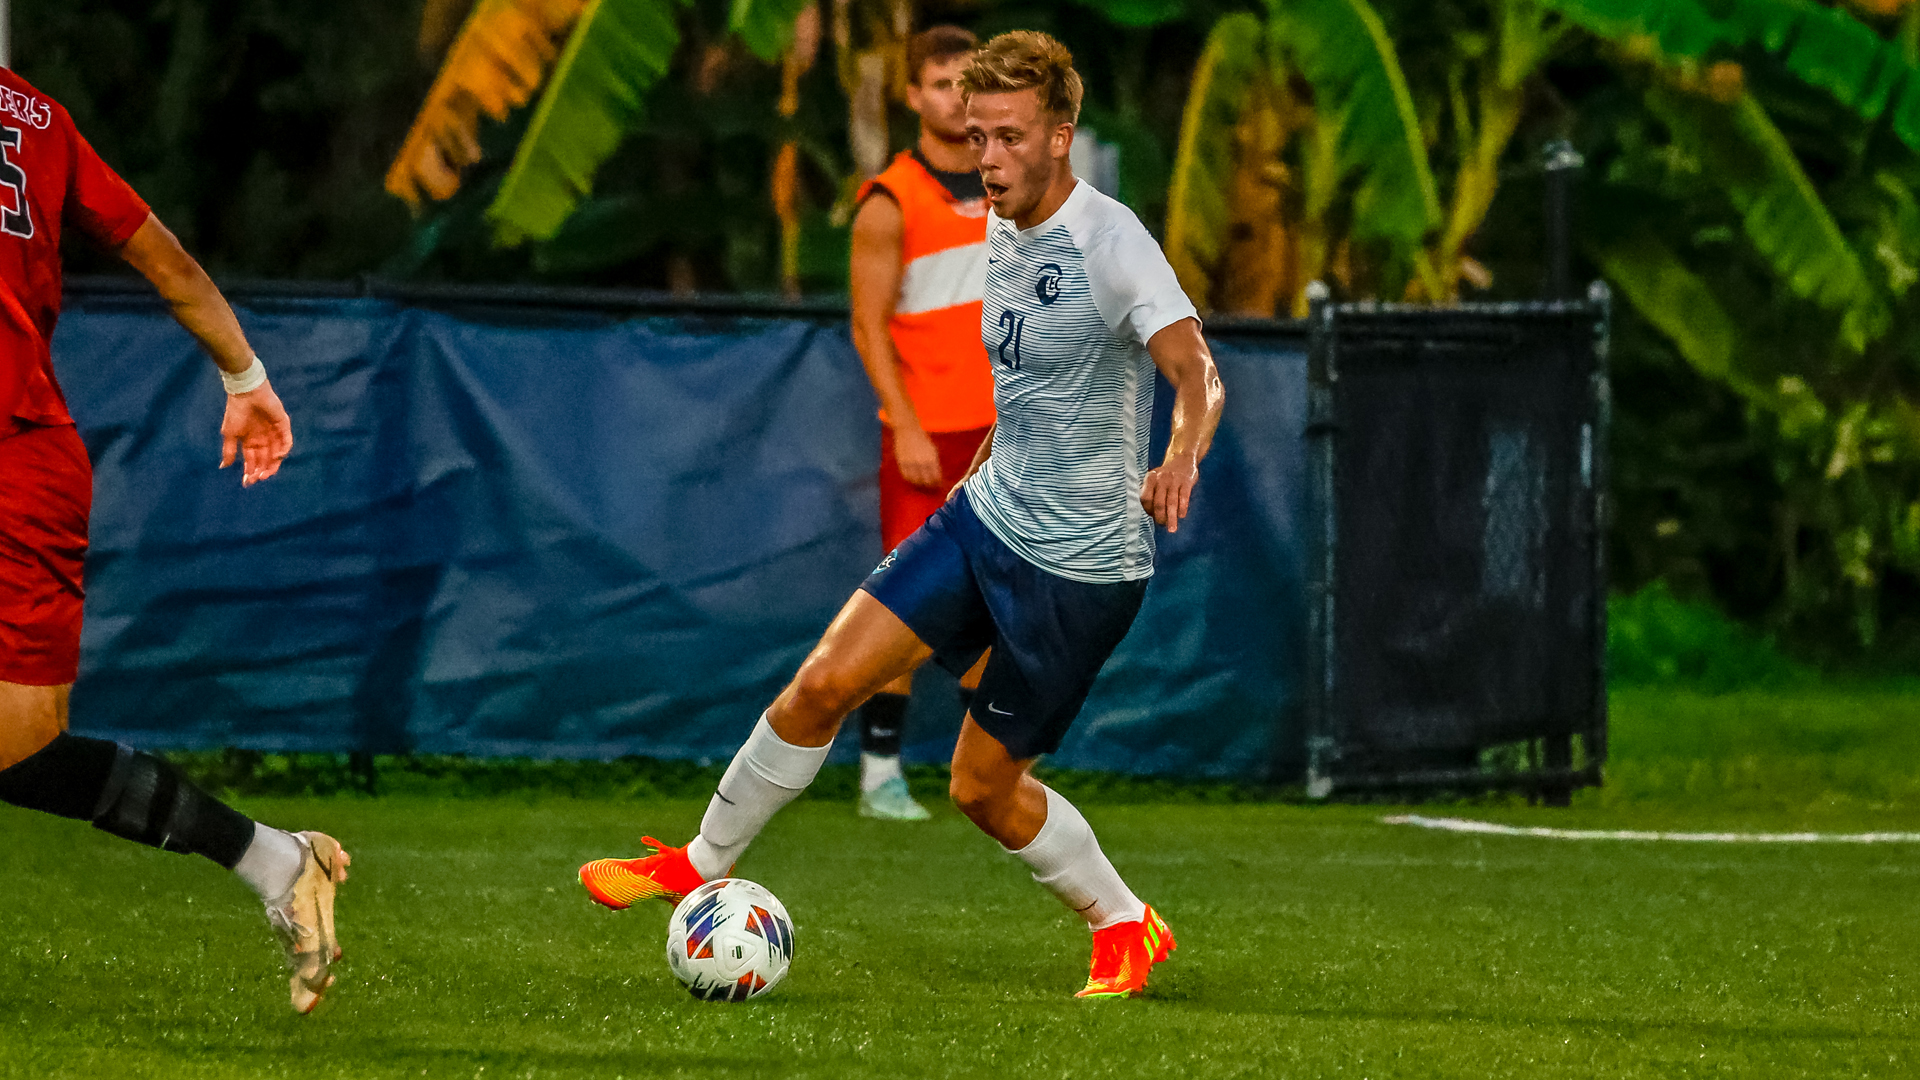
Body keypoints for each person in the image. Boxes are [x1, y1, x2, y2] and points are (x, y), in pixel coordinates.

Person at [580, 30, 1223, 1000]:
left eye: (1008, 137)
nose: (988, 158)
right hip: (982, 519)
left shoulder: (1113, 242)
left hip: (1080, 571)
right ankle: (702, 861)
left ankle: (1124, 921)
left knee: (979, 789)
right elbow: (1028, 392)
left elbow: (1196, 371)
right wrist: (982, 471)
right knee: (821, 682)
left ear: (1061, 133)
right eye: (977, 136)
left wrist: (1179, 454)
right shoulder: (1000, 225)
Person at [0, 68, 348, 1014]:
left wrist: (246, 382)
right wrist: (245, 376)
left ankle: (277, 862)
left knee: (22, 754)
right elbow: (169, 260)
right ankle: (280, 861)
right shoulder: (36, 115)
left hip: (16, 462)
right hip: (30, 458)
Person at [846, 25, 995, 821]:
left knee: (1007, 600)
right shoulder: (890, 199)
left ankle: (999, 770)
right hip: (928, 437)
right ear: (913, 95)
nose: (954, 96)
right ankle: (879, 773)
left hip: (1006, 436)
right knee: (906, 605)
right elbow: (869, 326)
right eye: (940, 82)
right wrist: (903, 423)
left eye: (967, 81)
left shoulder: (1016, 186)